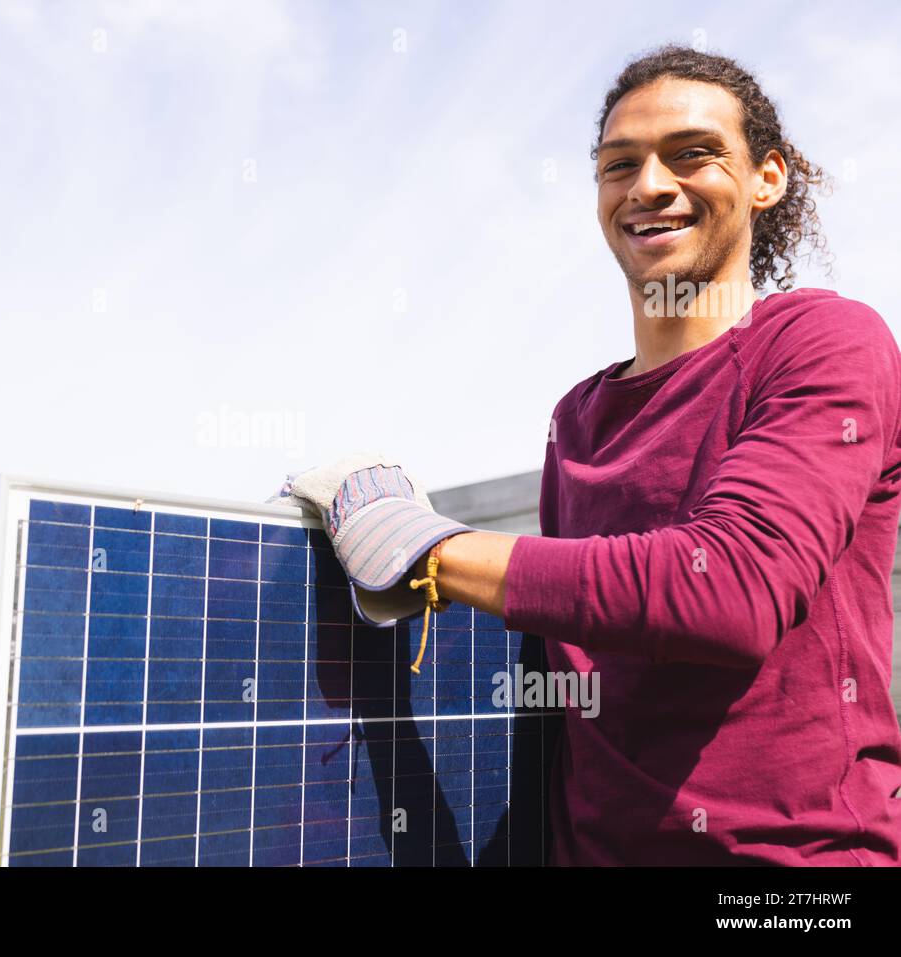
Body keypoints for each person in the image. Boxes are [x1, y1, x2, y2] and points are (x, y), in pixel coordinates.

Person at [274, 44, 901, 865]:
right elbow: (571, 671)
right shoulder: (576, 418)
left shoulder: (824, 341)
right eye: (619, 165)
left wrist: (428, 550)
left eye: (691, 154)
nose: (648, 186)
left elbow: (733, 589)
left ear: (767, 178)